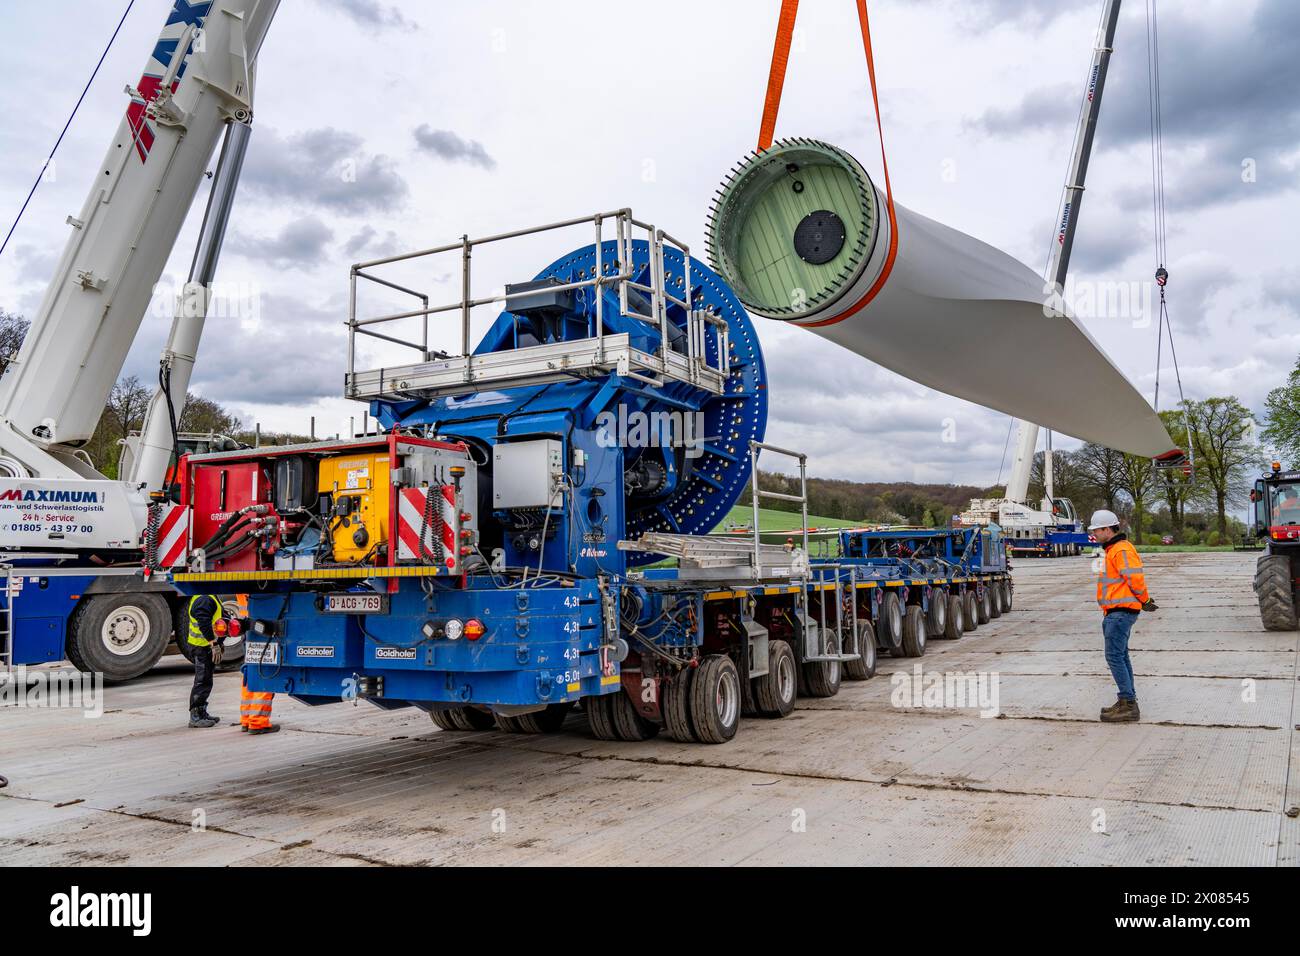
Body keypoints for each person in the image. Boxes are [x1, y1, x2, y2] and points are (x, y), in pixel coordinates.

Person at [1089, 510, 1158, 723]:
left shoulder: (1120, 550)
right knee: (1121, 655)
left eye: (1096, 530)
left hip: (1120, 613)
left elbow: (1135, 579)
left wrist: (1145, 600)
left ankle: (1128, 703)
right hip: (1117, 612)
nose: (1094, 534)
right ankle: (1127, 700)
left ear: (1107, 529)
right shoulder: (1113, 550)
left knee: (1114, 657)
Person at [186, 594, 225, 728]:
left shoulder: (208, 596)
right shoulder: (204, 599)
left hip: (205, 646)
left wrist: (219, 642)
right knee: (202, 680)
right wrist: (214, 644)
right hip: (202, 647)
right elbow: (204, 623)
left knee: (206, 680)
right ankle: (195, 716)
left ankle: (202, 712)